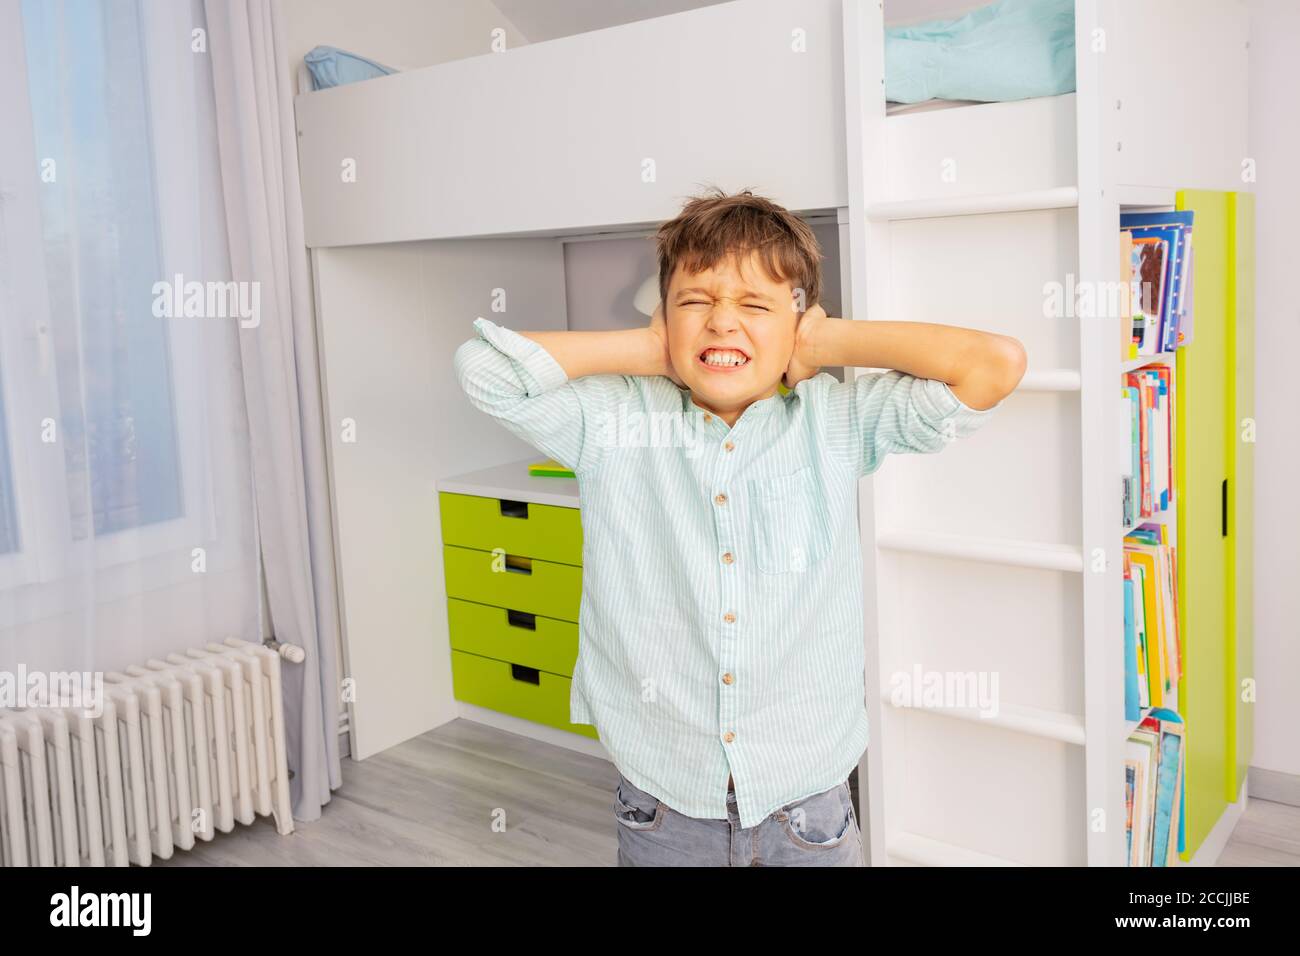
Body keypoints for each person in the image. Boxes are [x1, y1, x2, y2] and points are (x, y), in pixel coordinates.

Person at [453, 186, 1026, 866]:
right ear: (664, 317)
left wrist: (825, 341)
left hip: (807, 802)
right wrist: (645, 350)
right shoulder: (612, 420)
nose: (723, 321)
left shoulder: (836, 420)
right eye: (696, 301)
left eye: (756, 305)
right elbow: (484, 370)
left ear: (798, 322)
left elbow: (995, 365)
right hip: (663, 798)